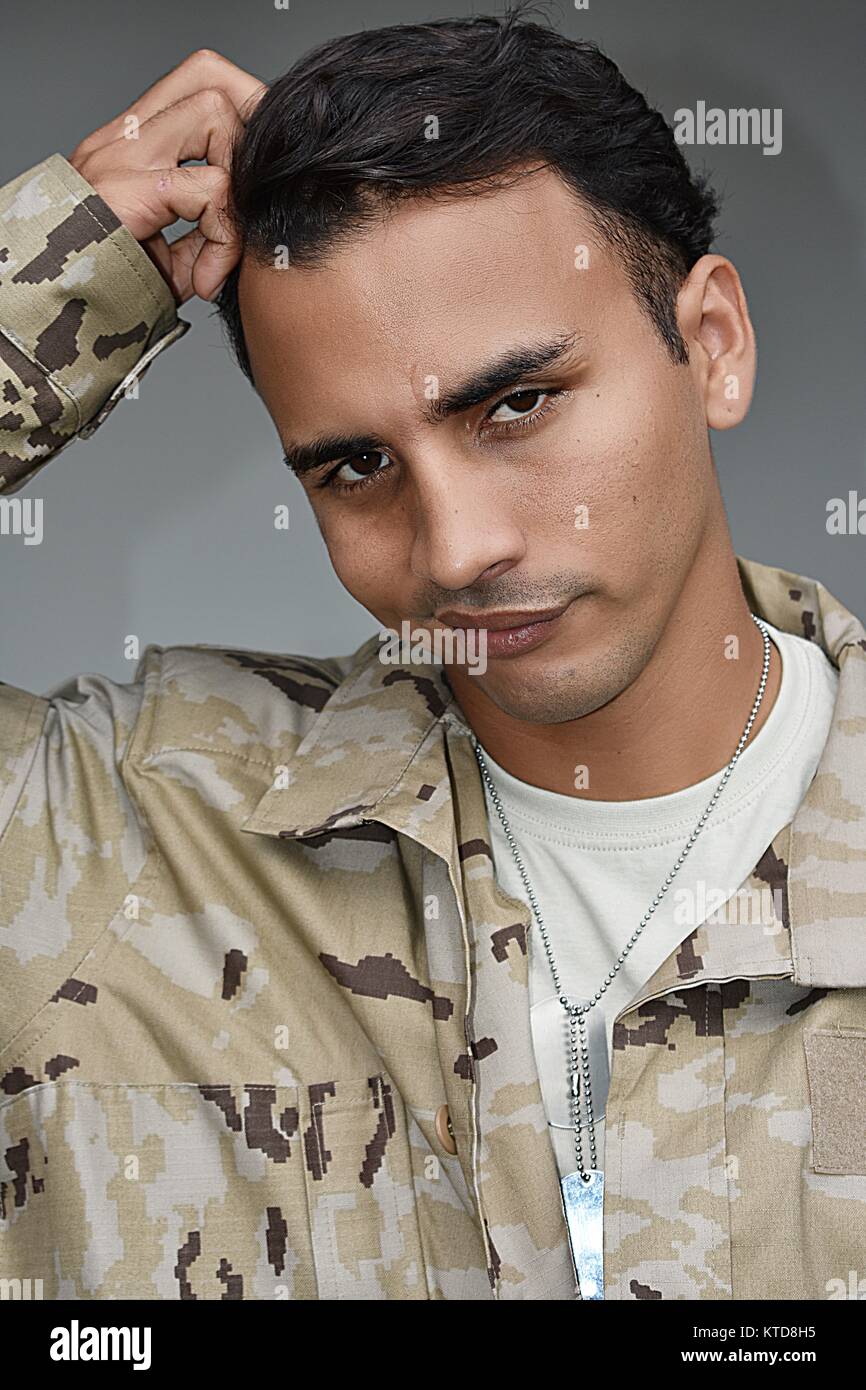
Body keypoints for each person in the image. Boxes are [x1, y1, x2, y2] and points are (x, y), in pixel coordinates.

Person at [1, 9, 864, 1302]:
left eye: (514, 404)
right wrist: (54, 269)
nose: (457, 548)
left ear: (713, 345)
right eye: (356, 466)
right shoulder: (109, 844)